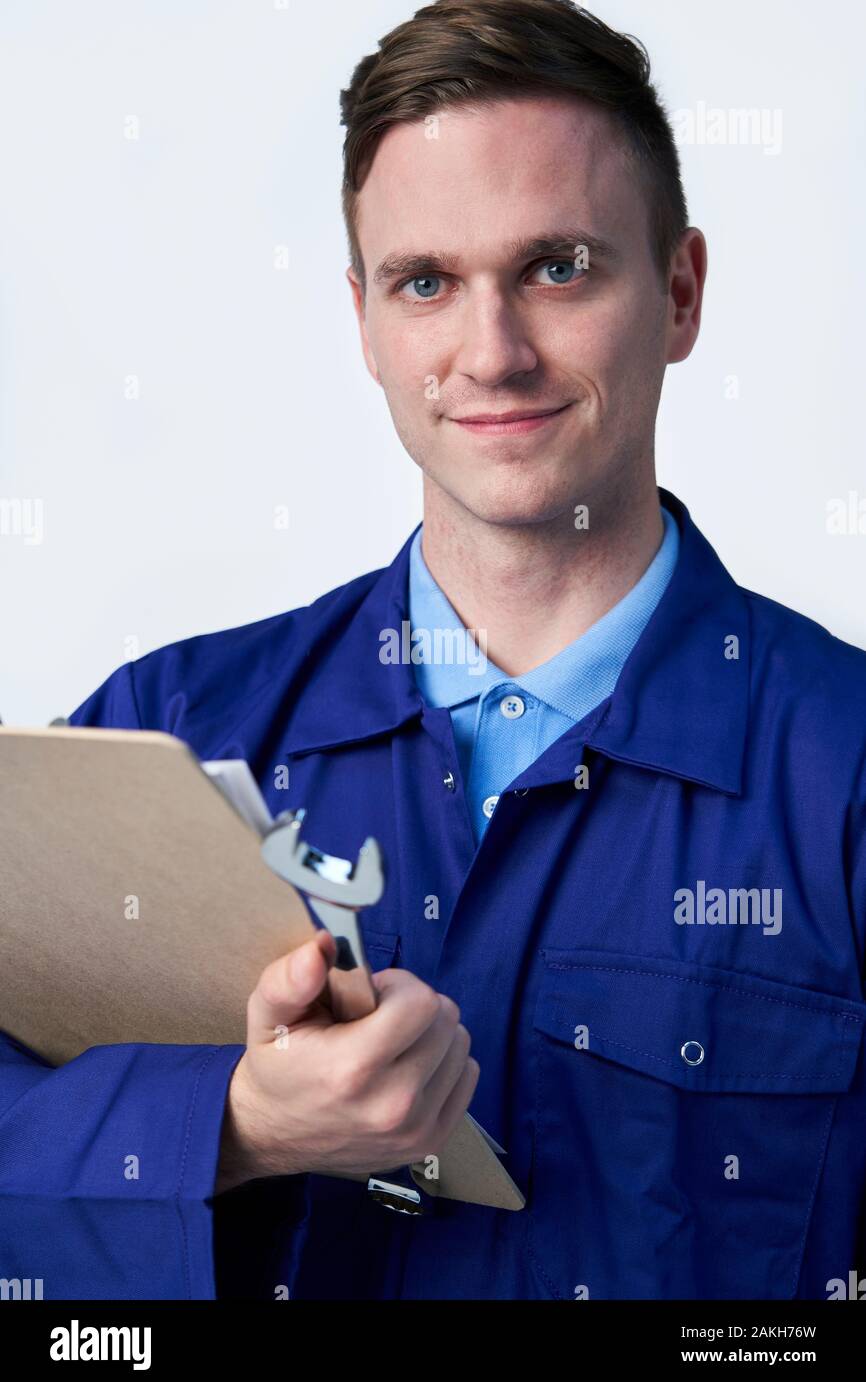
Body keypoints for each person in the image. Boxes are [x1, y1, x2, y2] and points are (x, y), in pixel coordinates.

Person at [3, 0, 866, 1301]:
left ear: (679, 290)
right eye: (425, 282)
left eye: (558, 266)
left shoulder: (845, 769)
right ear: (363, 318)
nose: (492, 352)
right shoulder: (164, 729)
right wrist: (233, 1123)